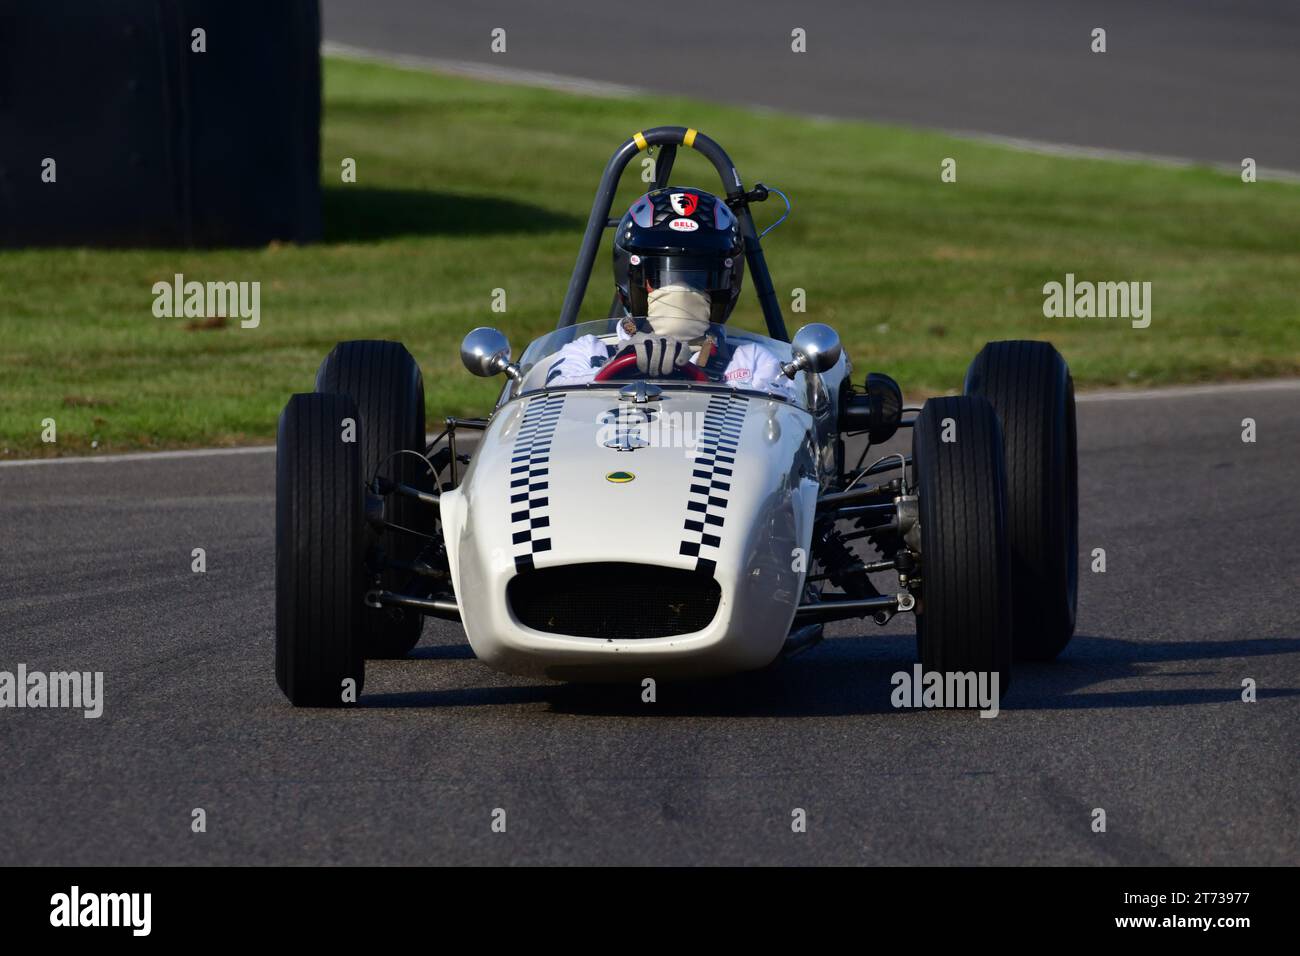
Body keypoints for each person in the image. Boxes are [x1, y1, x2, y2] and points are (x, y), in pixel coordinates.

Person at [545, 186, 795, 398]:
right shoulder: (589, 352)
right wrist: (616, 366)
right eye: (659, 277)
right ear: (632, 281)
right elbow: (555, 407)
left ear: (725, 285)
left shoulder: (749, 362)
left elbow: (775, 424)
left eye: (699, 277)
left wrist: (706, 377)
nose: (680, 289)